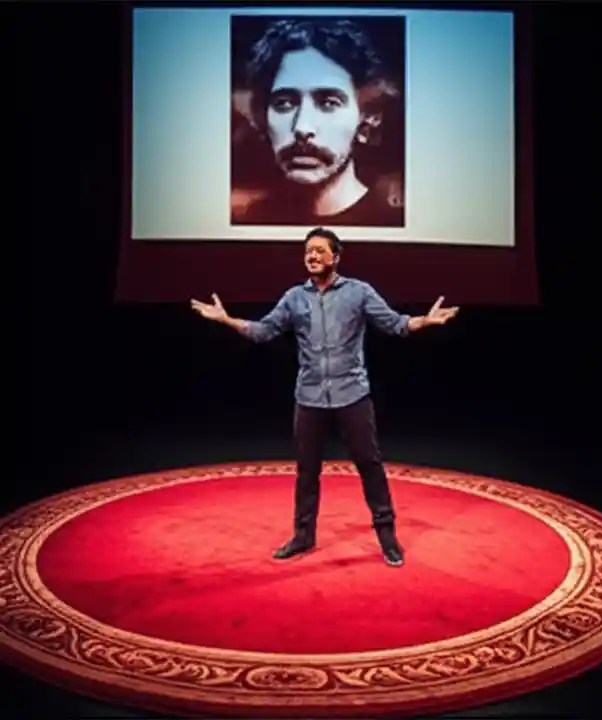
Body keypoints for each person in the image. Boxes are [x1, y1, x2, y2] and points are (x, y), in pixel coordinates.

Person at [190, 227, 458, 565]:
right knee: (306, 471)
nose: (312, 256)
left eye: (319, 250)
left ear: (336, 256)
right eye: (307, 252)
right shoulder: (294, 298)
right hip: (310, 397)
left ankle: (387, 536)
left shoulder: (359, 293)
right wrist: (226, 319)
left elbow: (394, 323)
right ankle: (303, 536)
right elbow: (263, 331)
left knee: (369, 465)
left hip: (353, 394)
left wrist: (425, 321)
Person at [233, 18, 403, 226]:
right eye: (284, 103)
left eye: (329, 103)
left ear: (367, 116)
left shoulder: (389, 222)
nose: (302, 127)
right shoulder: (249, 221)